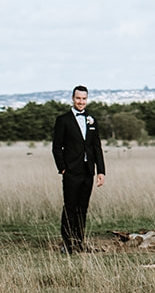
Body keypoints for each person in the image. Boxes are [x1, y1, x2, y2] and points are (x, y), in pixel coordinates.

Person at [51, 84, 106, 253]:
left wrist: (101, 171)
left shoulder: (92, 120)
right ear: (73, 99)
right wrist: (63, 168)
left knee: (83, 208)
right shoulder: (63, 120)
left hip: (88, 170)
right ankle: (67, 245)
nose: (81, 102)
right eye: (78, 98)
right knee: (70, 208)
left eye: (84, 99)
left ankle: (80, 242)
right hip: (71, 171)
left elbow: (96, 147)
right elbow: (56, 147)